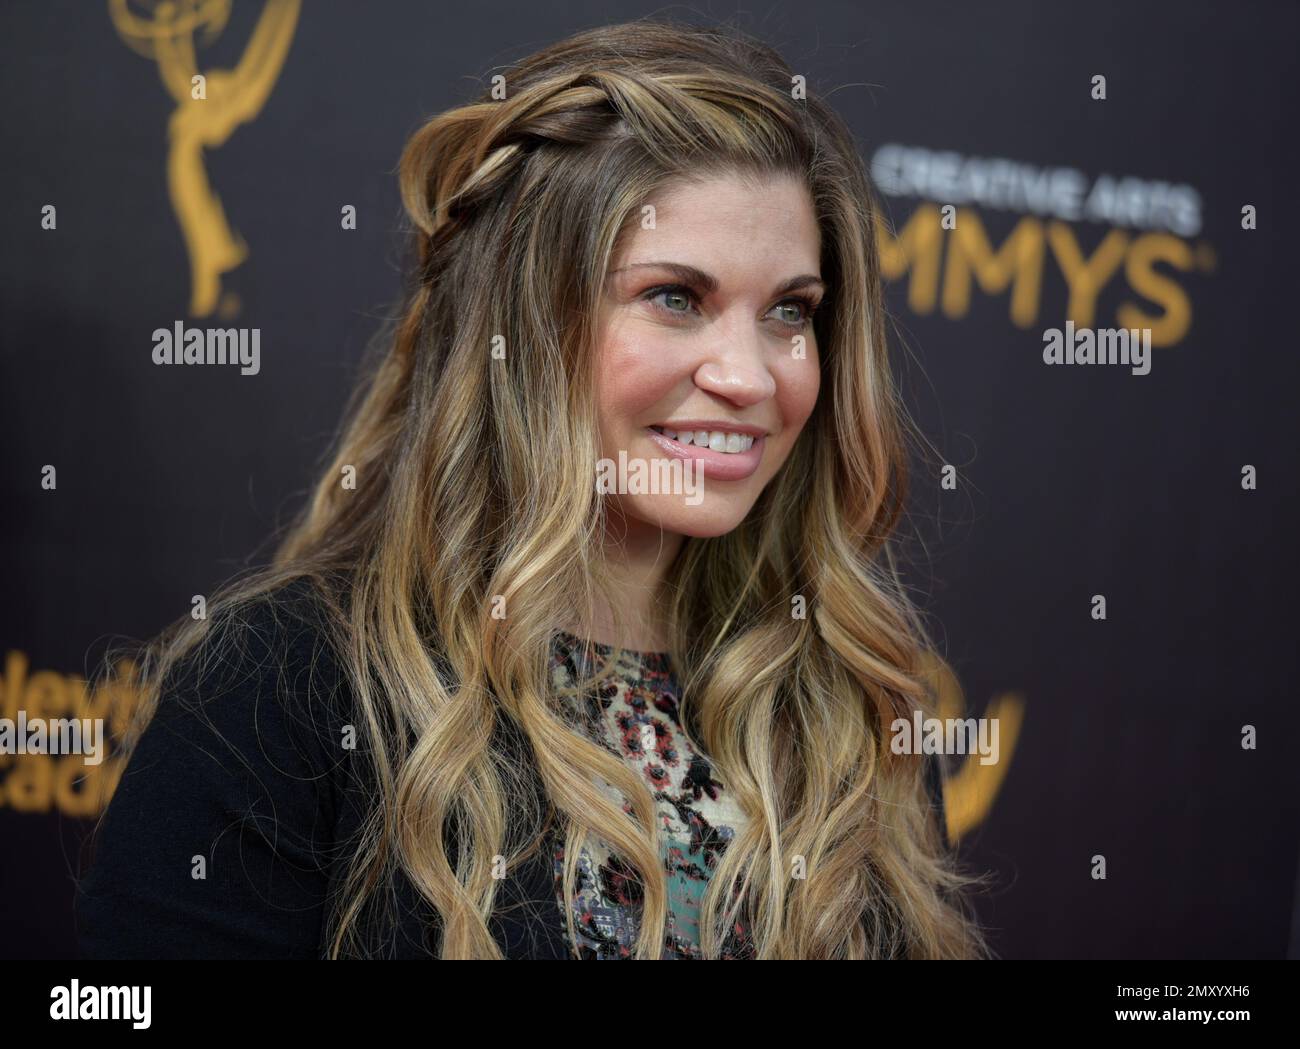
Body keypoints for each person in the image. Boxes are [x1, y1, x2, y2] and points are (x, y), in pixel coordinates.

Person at [76, 18, 988, 960]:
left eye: (790, 312)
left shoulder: (846, 714)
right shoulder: (275, 691)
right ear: (521, 326)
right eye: (676, 296)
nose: (751, 377)